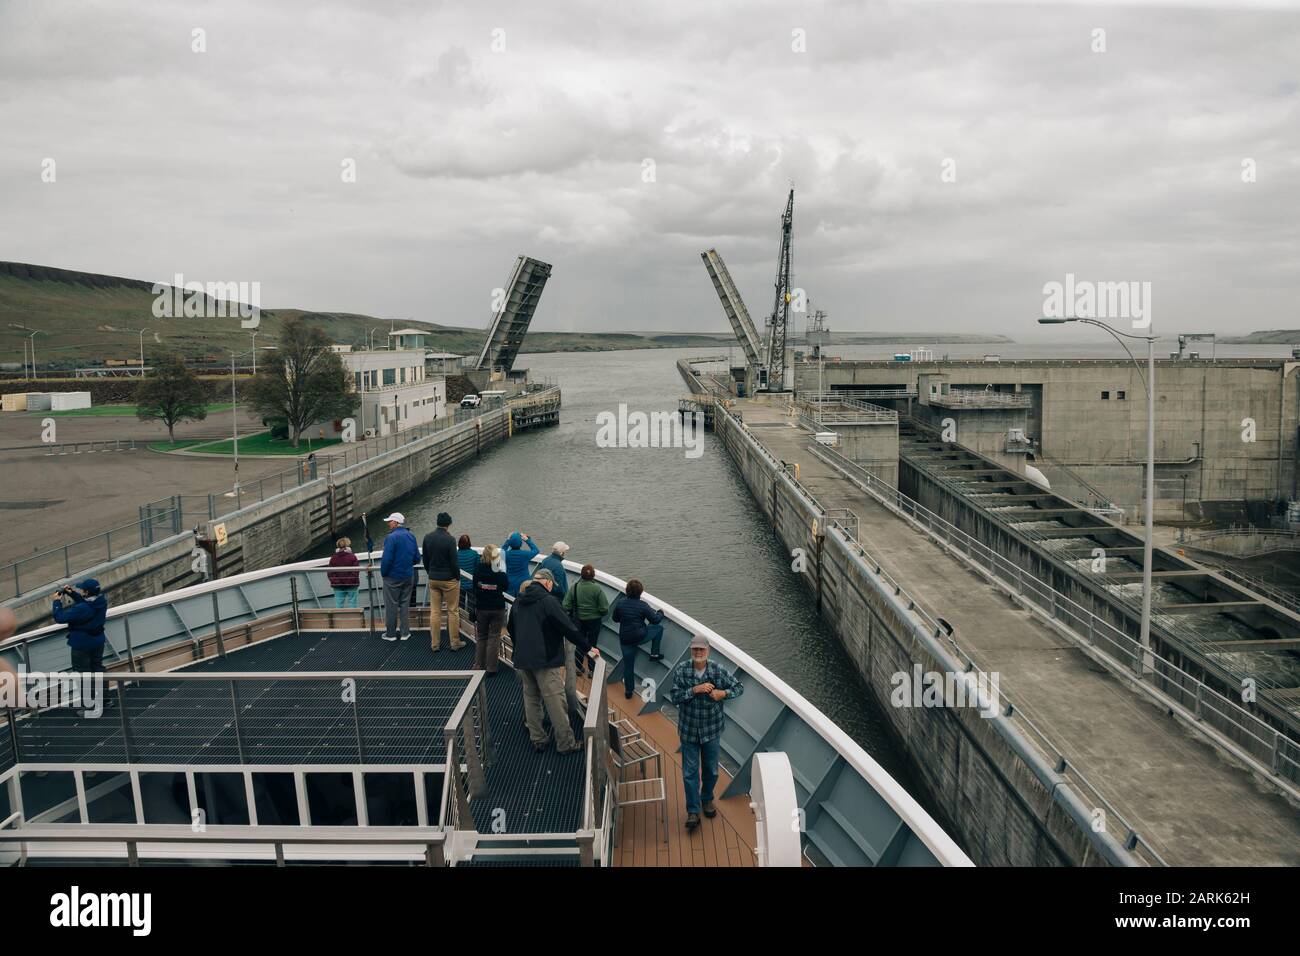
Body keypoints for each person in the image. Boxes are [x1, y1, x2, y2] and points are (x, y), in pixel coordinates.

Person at [668, 634, 744, 830]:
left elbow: (739, 686)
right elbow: (675, 696)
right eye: (695, 649)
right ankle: (693, 811)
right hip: (689, 731)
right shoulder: (682, 670)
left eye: (701, 649)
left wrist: (723, 693)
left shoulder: (717, 670)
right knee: (690, 773)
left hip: (711, 730)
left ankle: (707, 799)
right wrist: (694, 690)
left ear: (708, 651)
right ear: (691, 650)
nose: (698, 653)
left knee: (711, 770)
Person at [506, 568, 586, 753]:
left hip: (522, 659)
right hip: (545, 660)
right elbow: (568, 627)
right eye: (552, 585)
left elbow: (511, 628)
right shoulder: (548, 601)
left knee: (531, 698)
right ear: (547, 583)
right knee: (556, 702)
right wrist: (588, 646)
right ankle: (566, 744)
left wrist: (520, 648)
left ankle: (538, 739)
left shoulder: (518, 601)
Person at [610, 578, 665, 700]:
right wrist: (661, 612)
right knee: (659, 628)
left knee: (629, 666)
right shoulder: (643, 606)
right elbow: (655, 620)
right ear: (641, 592)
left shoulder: (620, 603)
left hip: (625, 639)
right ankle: (655, 654)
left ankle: (628, 692)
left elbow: (615, 619)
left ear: (627, 591)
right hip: (640, 636)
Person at [422, 511, 463, 651]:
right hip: (449, 580)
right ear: (448, 524)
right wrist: (457, 576)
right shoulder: (450, 540)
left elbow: (425, 560)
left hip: (433, 579)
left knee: (435, 612)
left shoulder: (428, 537)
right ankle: (454, 643)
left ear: (437, 523)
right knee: (452, 611)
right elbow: (454, 562)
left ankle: (434, 644)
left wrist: (430, 572)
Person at [52, 579, 109, 673]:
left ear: (86, 592)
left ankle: (88, 688)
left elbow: (60, 618)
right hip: (98, 641)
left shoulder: (81, 608)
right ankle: (102, 688)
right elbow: (88, 603)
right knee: (97, 668)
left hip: (82, 644)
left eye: (82, 590)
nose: (81, 591)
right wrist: (72, 593)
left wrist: (56, 602)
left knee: (82, 673)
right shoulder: (102, 601)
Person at [563, 563, 609, 680]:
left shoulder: (575, 587)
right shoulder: (597, 589)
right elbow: (604, 608)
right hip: (594, 621)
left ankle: (578, 667)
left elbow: (566, 605)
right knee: (592, 644)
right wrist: (597, 613)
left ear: (581, 575)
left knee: (579, 642)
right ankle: (592, 670)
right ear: (593, 575)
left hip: (578, 620)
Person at [379, 512, 419, 642]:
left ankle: (390, 634)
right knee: (404, 605)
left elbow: (387, 559)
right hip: (408, 576)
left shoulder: (391, 538)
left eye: (390, 521)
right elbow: (417, 558)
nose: (388, 524)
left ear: (396, 523)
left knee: (391, 606)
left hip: (393, 577)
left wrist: (384, 573)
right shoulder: (411, 536)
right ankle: (405, 633)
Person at [471, 544, 509, 675]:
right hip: (497, 607)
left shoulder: (478, 569)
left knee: (481, 636)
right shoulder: (499, 571)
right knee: (494, 637)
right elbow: (505, 587)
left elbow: (474, 586)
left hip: (482, 607)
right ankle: (491, 667)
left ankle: (478, 665)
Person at [502, 531, 540, 597]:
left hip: (510, 582)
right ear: (520, 544)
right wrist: (527, 540)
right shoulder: (525, 554)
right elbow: (536, 550)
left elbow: (502, 550)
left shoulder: (505, 554)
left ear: (510, 544)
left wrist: (508, 540)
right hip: (524, 582)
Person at [326, 537, 361, 608]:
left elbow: (330, 573)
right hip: (352, 584)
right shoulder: (352, 557)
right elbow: (355, 572)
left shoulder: (333, 558)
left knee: (339, 605)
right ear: (347, 546)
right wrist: (347, 581)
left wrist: (339, 581)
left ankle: (339, 618)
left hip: (338, 586)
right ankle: (353, 618)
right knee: (352, 603)